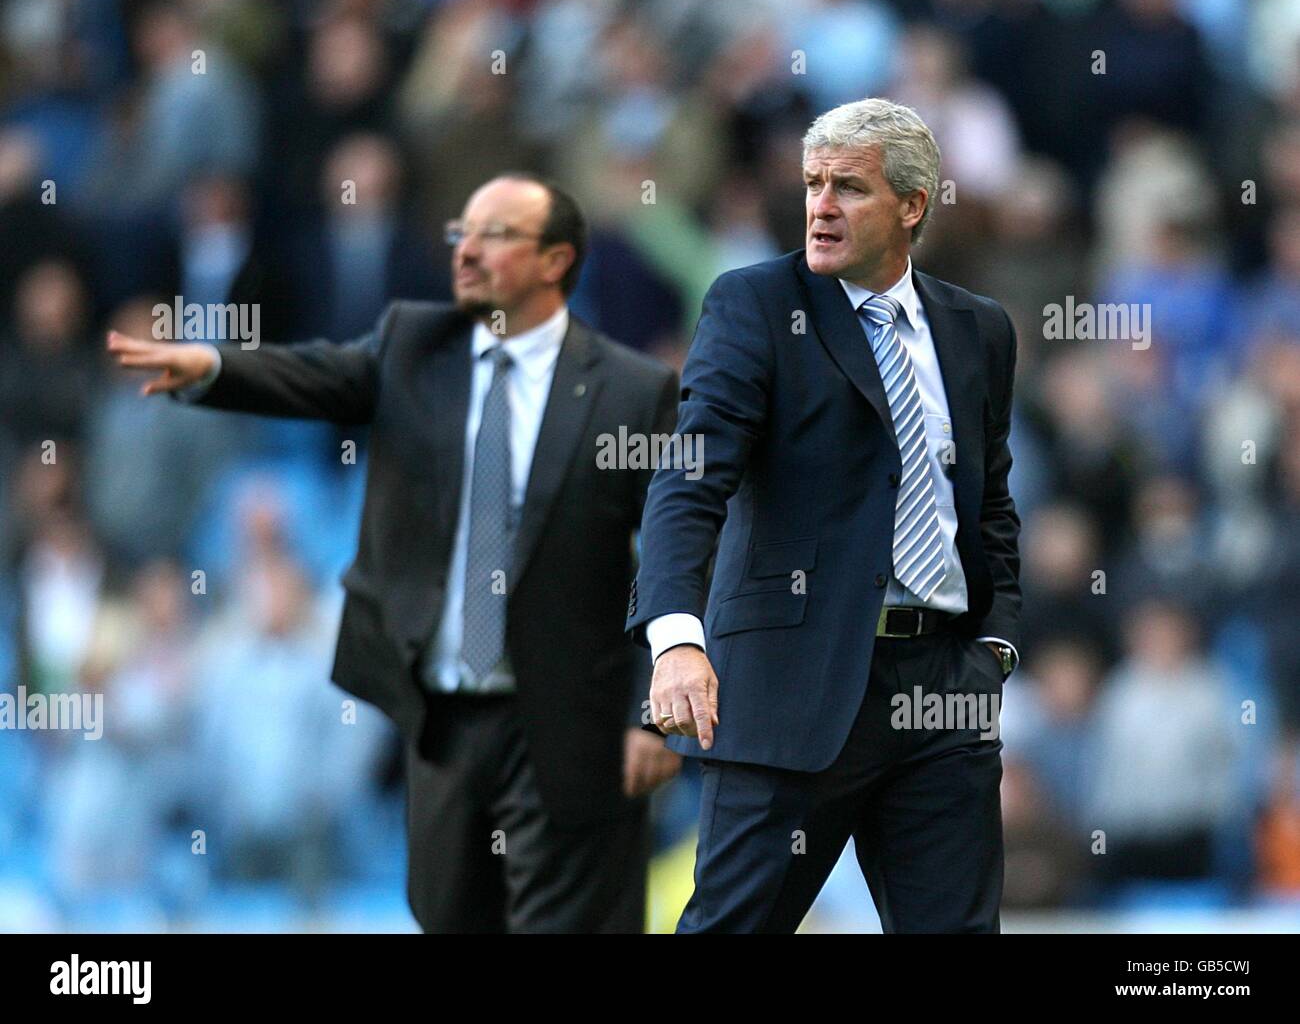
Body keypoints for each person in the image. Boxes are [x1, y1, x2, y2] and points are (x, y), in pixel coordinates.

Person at [108, 172, 682, 932]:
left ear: (555, 261)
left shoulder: (631, 392)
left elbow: (677, 554)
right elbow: (318, 375)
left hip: (573, 719)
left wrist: (652, 715)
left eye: (495, 235)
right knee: (446, 916)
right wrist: (212, 369)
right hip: (444, 723)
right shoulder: (417, 344)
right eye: (459, 235)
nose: (466, 251)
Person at [627, 98, 1022, 933]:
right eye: (812, 184)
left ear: (912, 206)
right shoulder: (756, 305)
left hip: (943, 696)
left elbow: (989, 505)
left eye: (849, 187)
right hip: (789, 686)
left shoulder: (978, 330)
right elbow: (688, 479)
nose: (821, 205)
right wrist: (676, 636)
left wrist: (995, 646)